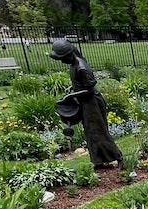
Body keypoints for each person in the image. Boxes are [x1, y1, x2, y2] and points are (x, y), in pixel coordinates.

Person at [50, 39, 123, 169]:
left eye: (62, 58)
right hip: (86, 103)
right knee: (91, 133)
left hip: (92, 103)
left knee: (100, 132)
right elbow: (80, 85)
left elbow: (89, 90)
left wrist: (71, 96)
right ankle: (99, 161)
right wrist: (72, 89)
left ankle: (119, 158)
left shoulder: (81, 67)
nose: (61, 61)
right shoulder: (73, 65)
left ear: (69, 54)